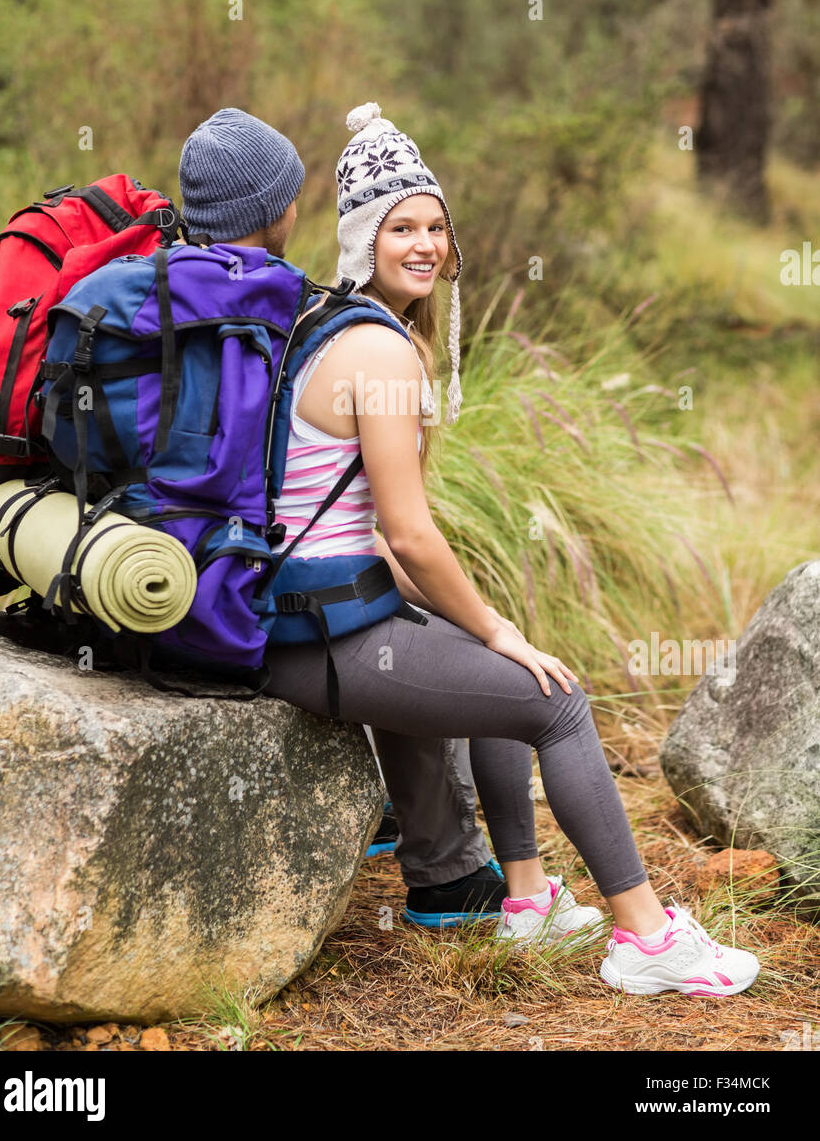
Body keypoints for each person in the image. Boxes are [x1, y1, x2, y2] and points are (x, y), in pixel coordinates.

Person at [181, 104, 761, 996]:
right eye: (398, 227)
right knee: (555, 701)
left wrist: (489, 629)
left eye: (436, 226)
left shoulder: (324, 322)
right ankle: (647, 939)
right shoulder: (380, 349)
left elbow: (371, 528)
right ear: (359, 238)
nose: (424, 244)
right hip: (315, 637)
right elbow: (406, 532)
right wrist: (494, 632)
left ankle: (524, 899)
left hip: (293, 611)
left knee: (506, 663)